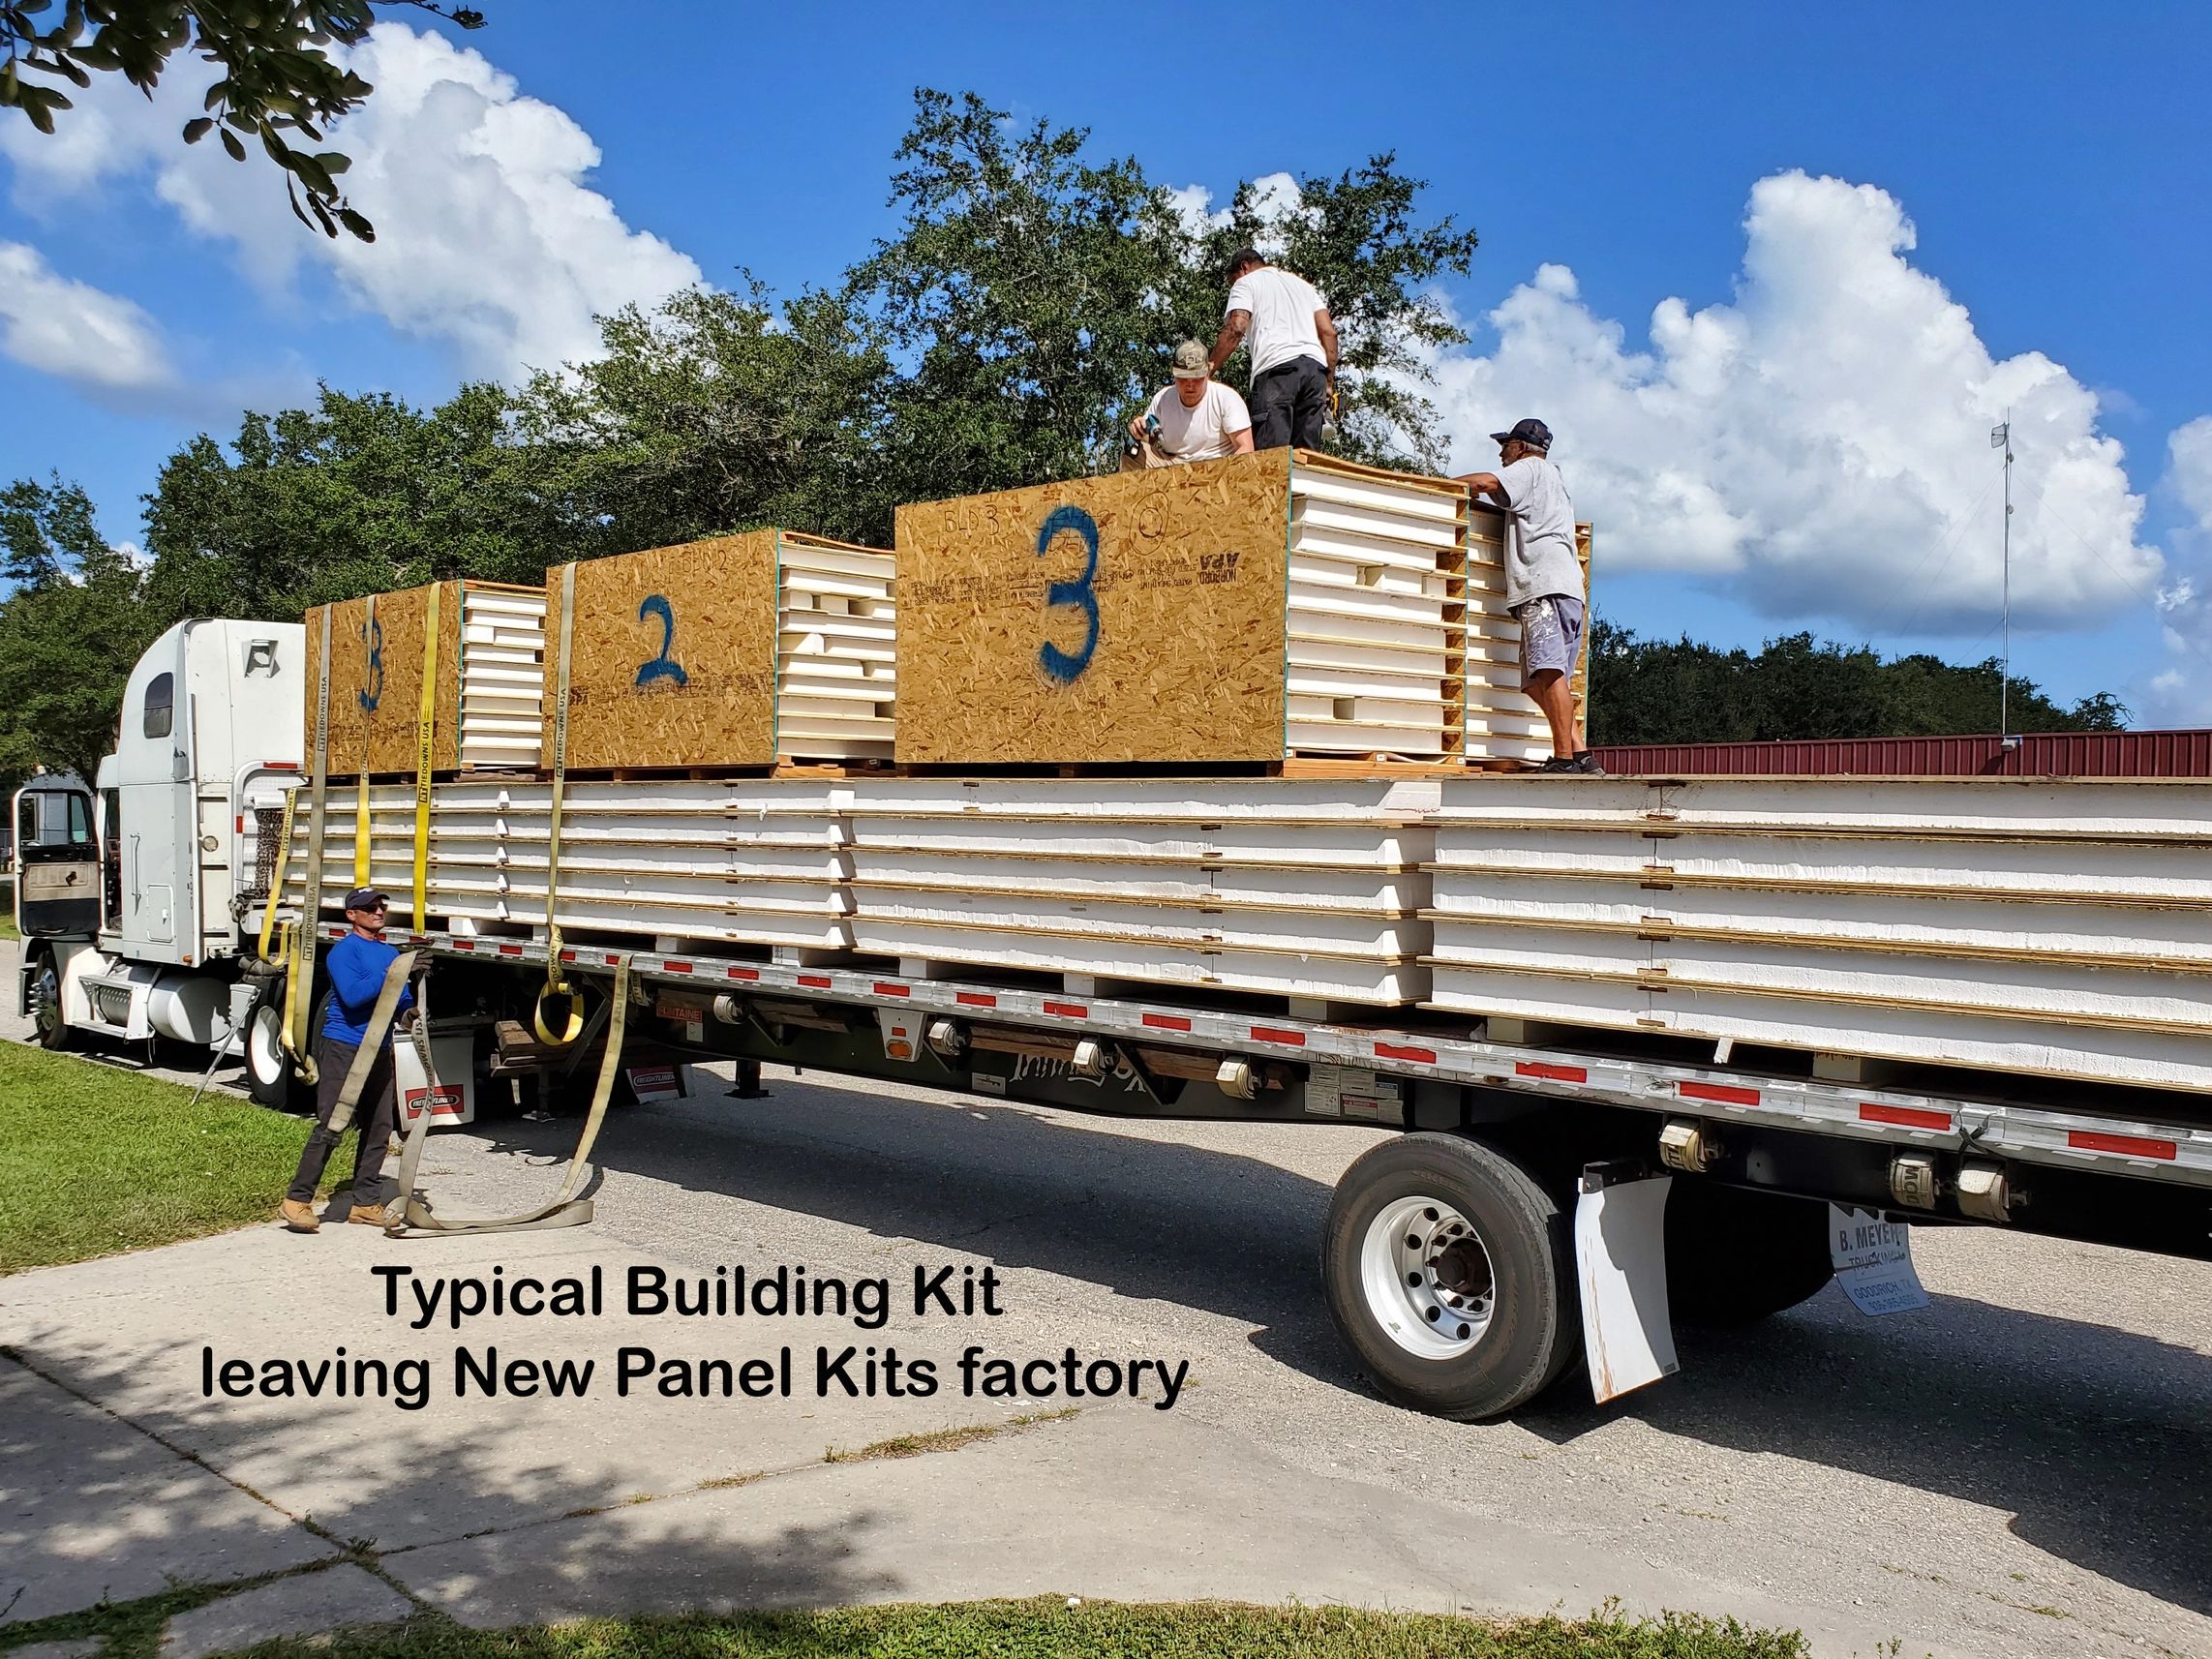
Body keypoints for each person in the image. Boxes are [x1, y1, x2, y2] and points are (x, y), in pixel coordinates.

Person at [1456, 418, 1602, 774]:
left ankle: (1563, 760)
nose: (1501, 454)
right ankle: (1581, 755)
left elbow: (1485, 483)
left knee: (1548, 673)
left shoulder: (1531, 469)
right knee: (1537, 682)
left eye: (1505, 446)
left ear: (1522, 447)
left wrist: (1441, 487)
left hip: (1545, 588)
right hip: (1565, 589)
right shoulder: (1553, 480)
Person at [279, 887, 415, 1232]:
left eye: (381, 907)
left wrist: (411, 1012)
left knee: (380, 1127)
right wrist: (393, 971)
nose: (378, 912)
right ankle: (296, 1199)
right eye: (369, 908)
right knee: (333, 1123)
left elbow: (401, 1000)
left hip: (379, 1048)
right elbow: (354, 997)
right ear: (351, 915)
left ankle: (365, 1203)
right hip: (345, 1047)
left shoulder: (390, 953)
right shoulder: (343, 952)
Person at [1210, 248, 1338, 450]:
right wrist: (1328, 383)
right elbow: (1329, 332)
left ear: (1244, 267)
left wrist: (1209, 368)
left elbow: (1236, 328)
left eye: (1232, 281)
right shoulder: (1303, 286)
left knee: (1271, 456)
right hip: (1315, 373)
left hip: (1277, 372)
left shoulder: (1246, 282)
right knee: (1305, 457)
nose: (1234, 286)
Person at [1126, 340, 1254, 468]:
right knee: (1131, 451)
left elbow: (1245, 449)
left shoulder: (1227, 398)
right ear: (1174, 374)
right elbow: (1147, 440)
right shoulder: (1162, 399)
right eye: (1183, 378)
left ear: (1208, 373)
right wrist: (1138, 430)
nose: (1190, 384)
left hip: (1217, 465)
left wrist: (1223, 475)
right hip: (1173, 466)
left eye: (1197, 377)